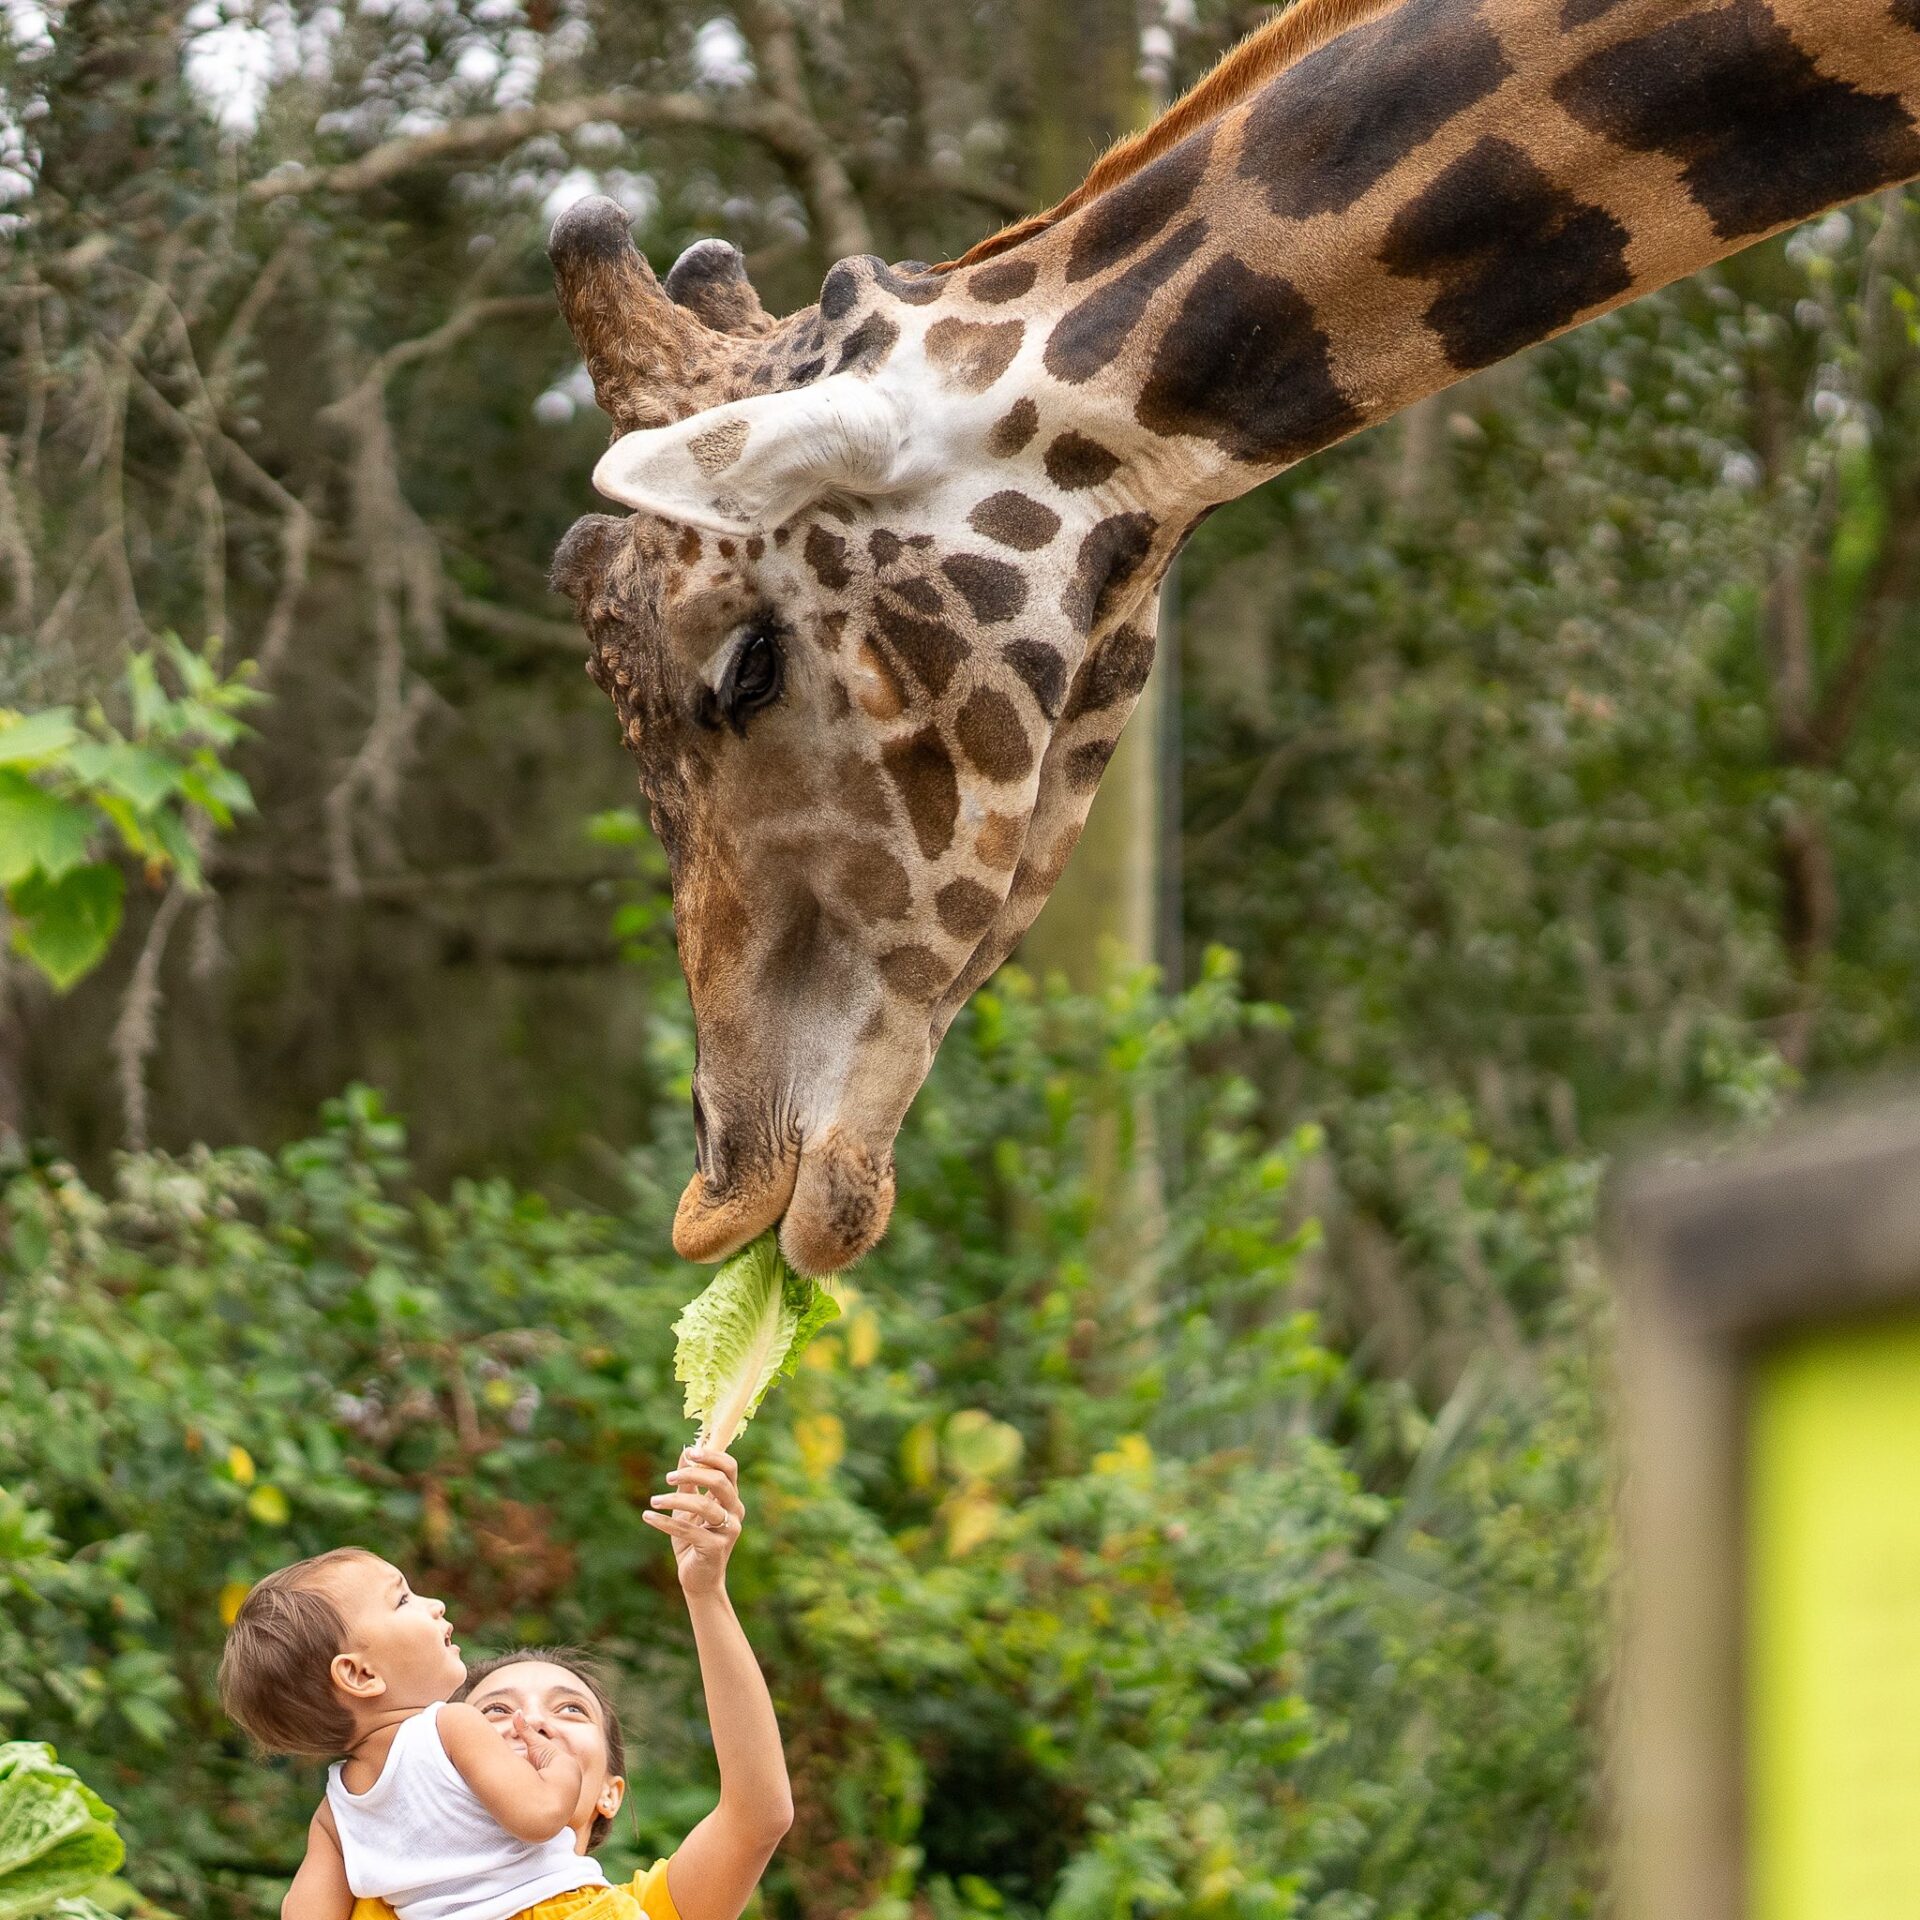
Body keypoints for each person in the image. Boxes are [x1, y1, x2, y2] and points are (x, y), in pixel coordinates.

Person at [218, 1447, 790, 1920]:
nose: (531, 1721)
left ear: (612, 1793)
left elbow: (758, 1812)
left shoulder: (640, 1909)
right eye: (494, 1712)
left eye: (570, 1711)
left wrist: (706, 1591)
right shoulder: (376, 1893)